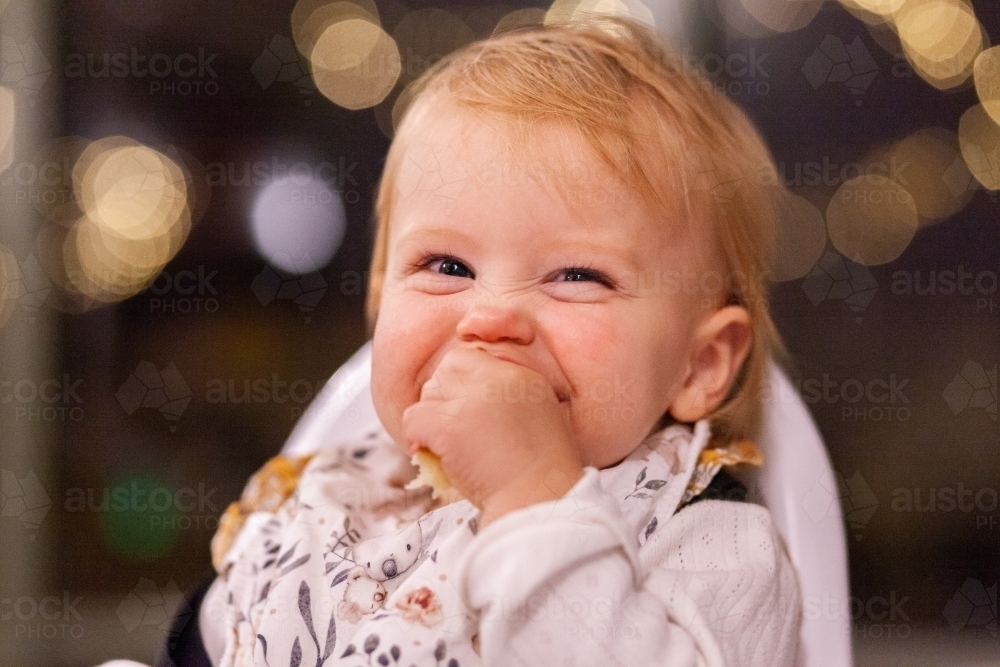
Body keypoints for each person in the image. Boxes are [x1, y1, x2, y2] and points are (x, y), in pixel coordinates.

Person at [201, 16, 802, 667]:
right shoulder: (330, 498)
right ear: (378, 303)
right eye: (447, 266)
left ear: (699, 364)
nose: (491, 318)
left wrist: (532, 494)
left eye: (577, 275)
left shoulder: (711, 543)